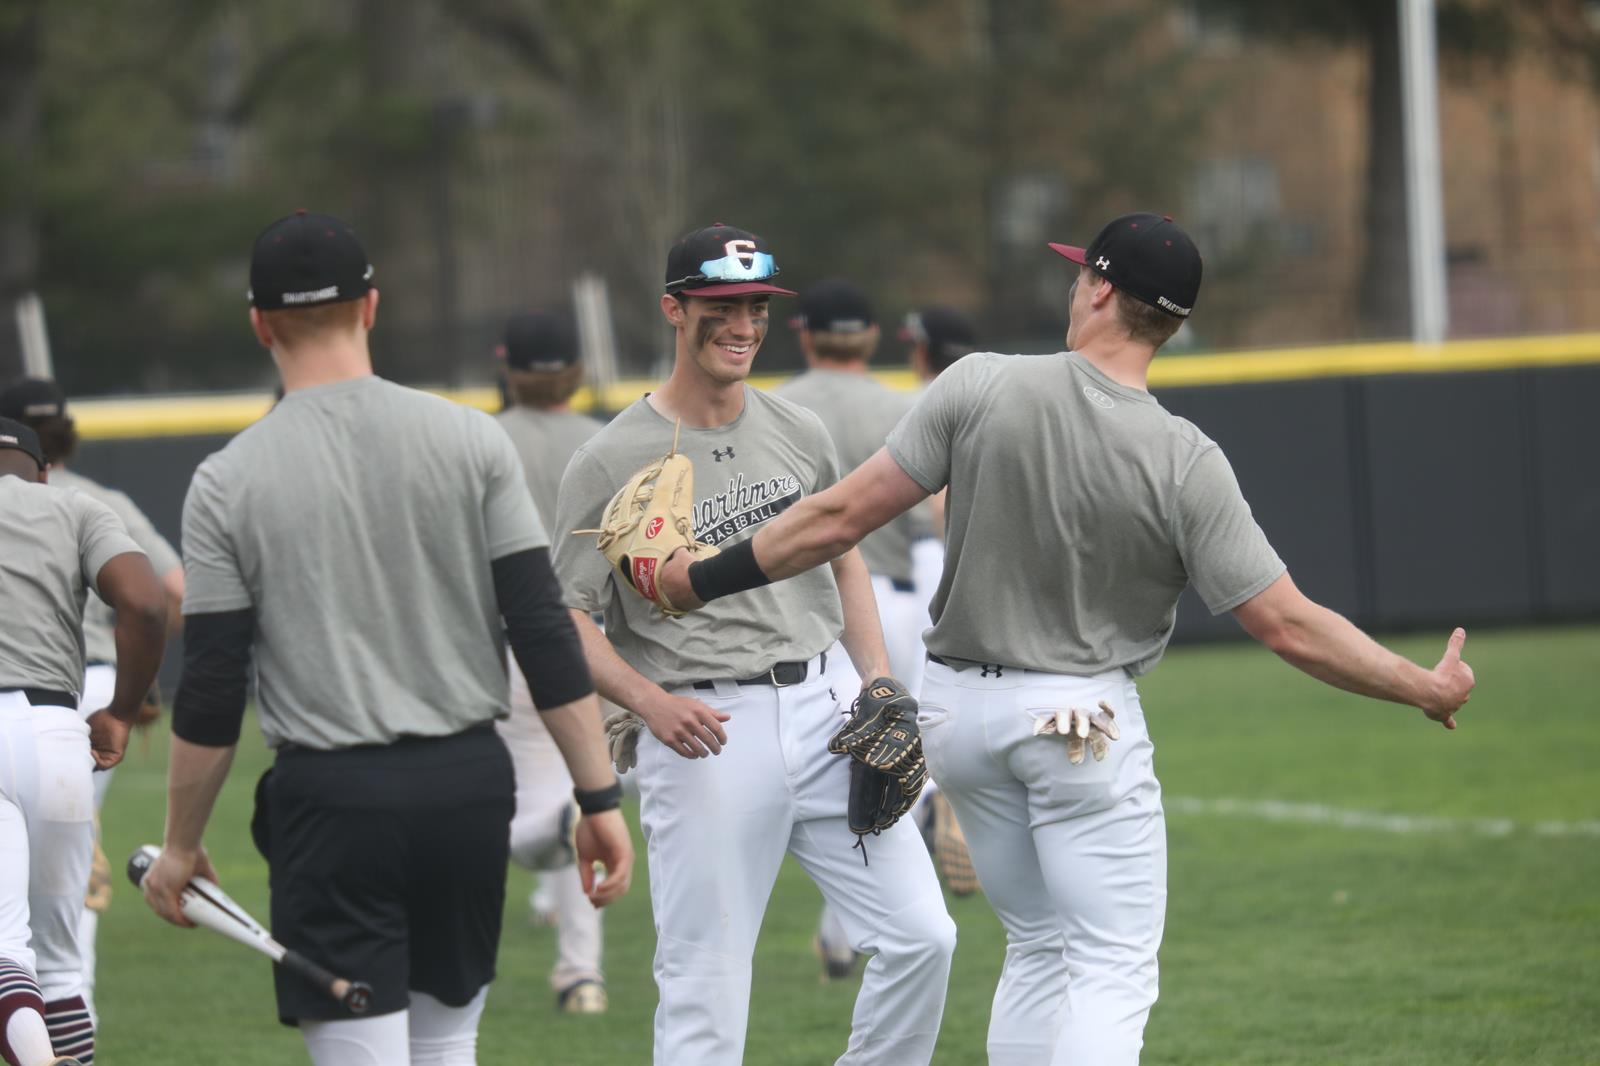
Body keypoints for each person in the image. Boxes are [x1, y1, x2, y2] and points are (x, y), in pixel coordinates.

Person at [657, 212, 1477, 1065]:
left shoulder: (979, 384)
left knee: (1039, 948)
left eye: (1081, 272)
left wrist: (698, 578)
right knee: (1111, 965)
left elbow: (834, 520)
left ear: (1102, 289)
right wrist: (1422, 687)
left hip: (958, 716)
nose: (1073, 283)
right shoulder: (1185, 458)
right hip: (1077, 722)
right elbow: (1287, 624)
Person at [137, 210, 634, 1066]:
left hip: (333, 803)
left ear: (259, 324)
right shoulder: (472, 439)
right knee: (446, 1051)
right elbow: (543, 629)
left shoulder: (225, 480)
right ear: (371, 307)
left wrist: (182, 846)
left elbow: (214, 687)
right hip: (466, 791)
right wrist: (595, 800)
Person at [551, 223, 955, 1066]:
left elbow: (844, 563)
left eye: (757, 307)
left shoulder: (799, 429)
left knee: (924, 938)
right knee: (706, 988)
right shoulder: (608, 455)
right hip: (704, 725)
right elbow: (565, 618)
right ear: (674, 309)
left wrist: (876, 682)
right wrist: (647, 702)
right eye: (721, 306)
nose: (743, 324)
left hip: (825, 708)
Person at [0, 377, 186, 1018]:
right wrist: (130, 703)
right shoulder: (84, 503)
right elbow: (160, 597)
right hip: (73, 705)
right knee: (60, 948)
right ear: (45, 468)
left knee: (4, 941)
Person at [774, 281, 926, 979]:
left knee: (817, 769)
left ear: (804, 335)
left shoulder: (776, 410)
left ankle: (840, 926)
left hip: (801, 612)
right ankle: (847, 928)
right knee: (885, 764)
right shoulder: (905, 407)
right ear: (872, 338)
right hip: (889, 604)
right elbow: (941, 516)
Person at [490, 311, 609, 1014]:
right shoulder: (607, 441)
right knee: (582, 798)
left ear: (508, 368)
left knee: (525, 814)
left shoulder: (483, 439)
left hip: (510, 641)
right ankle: (581, 975)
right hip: (595, 640)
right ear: (577, 371)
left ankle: (544, 835)